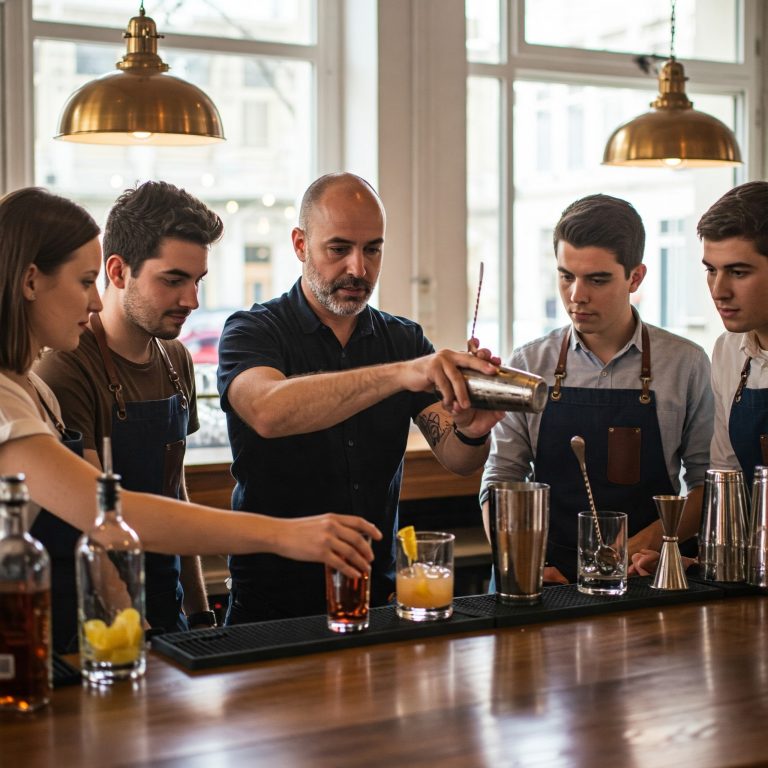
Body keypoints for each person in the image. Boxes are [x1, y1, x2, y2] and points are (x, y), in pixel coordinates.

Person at [0, 186, 379, 653]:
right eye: (84, 282)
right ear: (31, 282)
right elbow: (109, 519)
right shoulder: (21, 393)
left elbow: (159, 496)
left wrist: (186, 619)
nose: (95, 301)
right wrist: (285, 534)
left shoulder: (34, 390)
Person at [217, 171, 504, 623]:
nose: (358, 268)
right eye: (339, 249)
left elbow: (459, 458)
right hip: (272, 607)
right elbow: (269, 411)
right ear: (299, 244)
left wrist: (471, 428)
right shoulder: (253, 331)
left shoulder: (404, 339)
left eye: (373, 249)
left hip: (377, 597)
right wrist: (401, 375)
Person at [480, 194, 714, 584]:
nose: (577, 296)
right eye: (566, 276)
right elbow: (500, 479)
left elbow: (707, 485)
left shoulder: (685, 363)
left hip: (645, 575)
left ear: (635, 277)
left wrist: (646, 544)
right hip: (543, 577)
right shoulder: (528, 364)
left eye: (597, 279)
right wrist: (522, 561)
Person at [35, 181, 219, 639]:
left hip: (167, 611)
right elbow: (97, 526)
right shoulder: (66, 366)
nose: (192, 300)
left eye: (197, 281)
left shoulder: (176, 359)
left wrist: (198, 616)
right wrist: (134, 633)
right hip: (103, 626)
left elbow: (176, 491)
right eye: (173, 280)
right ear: (117, 272)